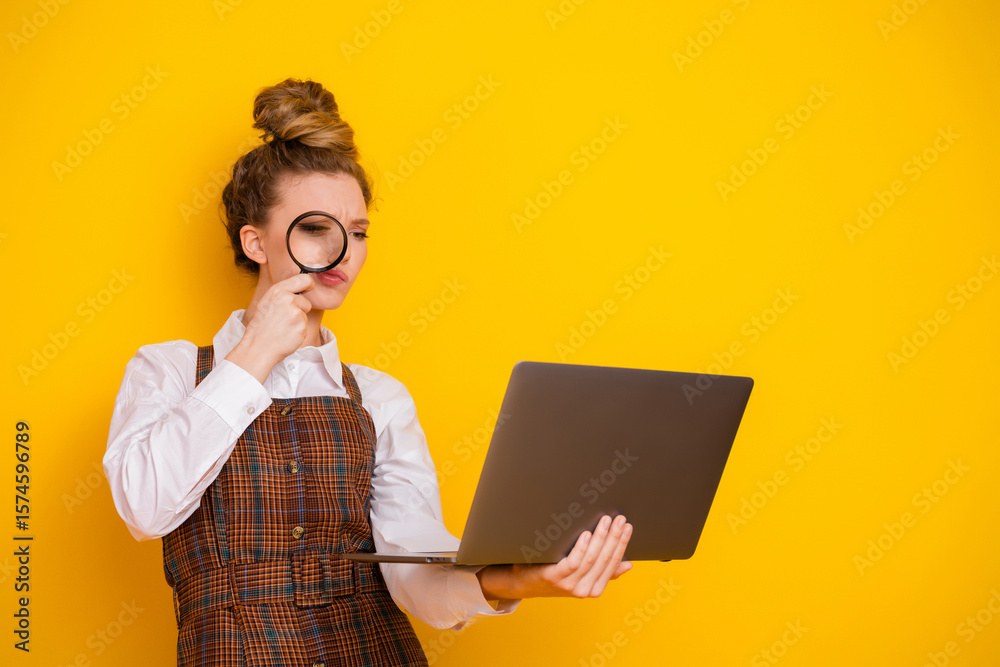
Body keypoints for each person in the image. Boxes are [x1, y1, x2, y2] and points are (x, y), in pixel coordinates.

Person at [104, 77, 633, 667]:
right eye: (315, 228)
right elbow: (144, 508)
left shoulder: (379, 398)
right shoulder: (169, 370)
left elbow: (415, 574)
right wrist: (254, 355)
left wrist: (518, 580)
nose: (344, 253)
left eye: (357, 233)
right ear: (255, 242)